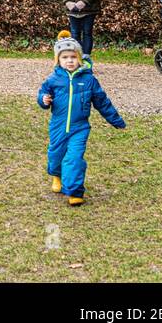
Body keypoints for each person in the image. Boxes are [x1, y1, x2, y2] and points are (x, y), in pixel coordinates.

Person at [38, 31, 126, 206]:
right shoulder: (53, 79)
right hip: (58, 126)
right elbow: (43, 94)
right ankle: (57, 175)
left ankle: (75, 191)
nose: (69, 61)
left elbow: (102, 102)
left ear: (80, 58)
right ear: (58, 60)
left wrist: (116, 120)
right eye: (65, 57)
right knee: (56, 154)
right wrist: (43, 100)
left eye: (73, 57)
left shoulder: (89, 80)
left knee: (75, 158)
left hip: (80, 128)